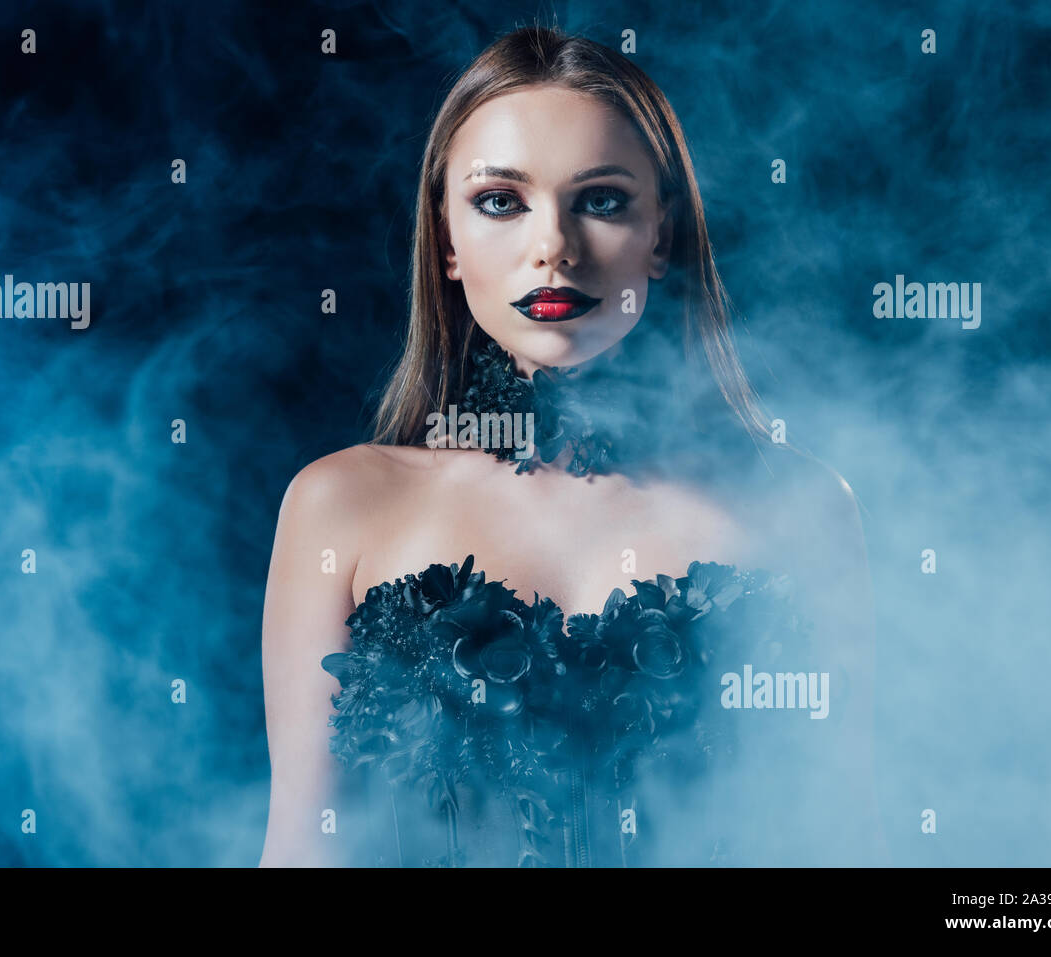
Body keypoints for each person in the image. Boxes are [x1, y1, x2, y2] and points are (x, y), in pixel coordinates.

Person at [260, 24, 885, 867]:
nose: (553, 244)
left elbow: (849, 843)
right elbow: (303, 853)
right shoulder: (341, 503)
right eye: (500, 201)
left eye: (601, 200)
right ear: (446, 241)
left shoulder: (801, 506)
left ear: (661, 235)